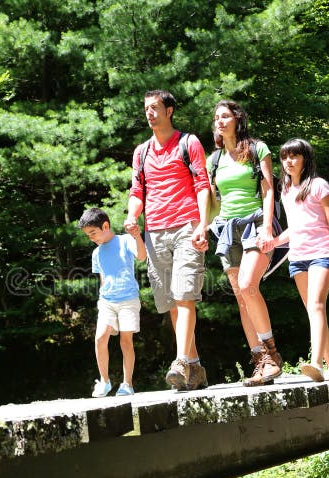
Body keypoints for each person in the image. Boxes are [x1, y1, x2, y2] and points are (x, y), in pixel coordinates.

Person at [124, 89, 210, 391]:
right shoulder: (141, 151)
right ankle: (195, 369)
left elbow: (202, 184)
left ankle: (181, 362)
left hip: (187, 226)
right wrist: (132, 217)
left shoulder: (189, 143)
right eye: (146, 107)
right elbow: (137, 192)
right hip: (155, 231)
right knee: (171, 302)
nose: (149, 112)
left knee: (185, 295)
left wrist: (202, 224)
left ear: (169, 110)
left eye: (155, 107)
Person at [259, 138, 329, 382]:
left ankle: (316, 363)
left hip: (322, 253)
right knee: (314, 311)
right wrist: (274, 242)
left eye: (294, 156)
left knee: (317, 306)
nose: (288, 161)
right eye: (285, 157)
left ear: (305, 159)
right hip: (297, 257)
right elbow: (296, 228)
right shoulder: (286, 190)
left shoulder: (319, 185)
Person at [207, 99, 284, 387]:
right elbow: (213, 202)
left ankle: (271, 354)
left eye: (225, 116)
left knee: (249, 285)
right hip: (227, 229)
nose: (220, 121)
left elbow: (268, 190)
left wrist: (266, 227)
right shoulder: (213, 160)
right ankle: (261, 361)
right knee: (241, 298)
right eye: (217, 118)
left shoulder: (256, 149)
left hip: (255, 223)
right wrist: (203, 227)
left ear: (238, 119)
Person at [79, 207, 147, 396]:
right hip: (107, 301)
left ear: (106, 225)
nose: (91, 237)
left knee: (126, 342)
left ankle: (127, 384)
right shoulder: (96, 253)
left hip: (128, 300)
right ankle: (105, 382)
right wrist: (102, 298)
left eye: (93, 232)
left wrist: (137, 237)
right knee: (100, 337)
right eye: (88, 235)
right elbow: (103, 278)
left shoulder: (124, 241)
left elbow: (142, 256)